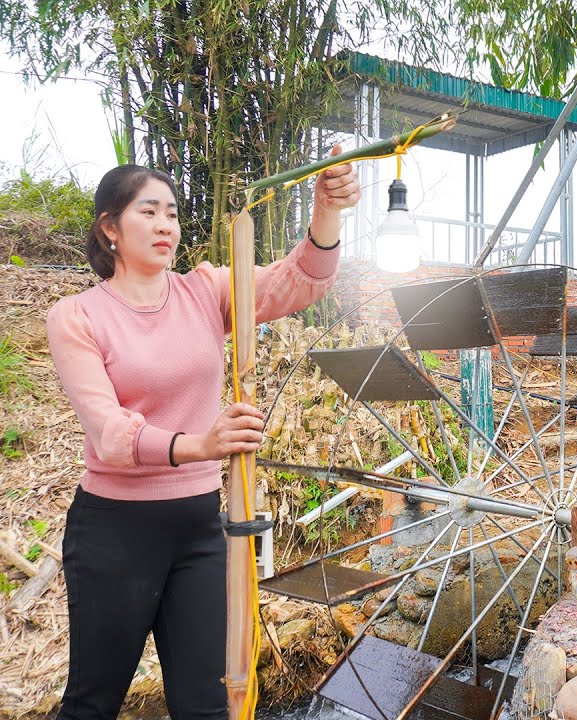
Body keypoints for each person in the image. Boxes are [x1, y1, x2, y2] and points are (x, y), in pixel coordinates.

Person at [47, 148, 360, 719]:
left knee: (206, 705)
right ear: (109, 228)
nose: (166, 224)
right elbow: (109, 434)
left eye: (171, 212)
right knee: (93, 703)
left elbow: (301, 282)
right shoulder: (78, 316)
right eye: (148, 212)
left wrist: (325, 212)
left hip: (198, 527)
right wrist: (201, 445)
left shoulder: (206, 291)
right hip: (114, 533)